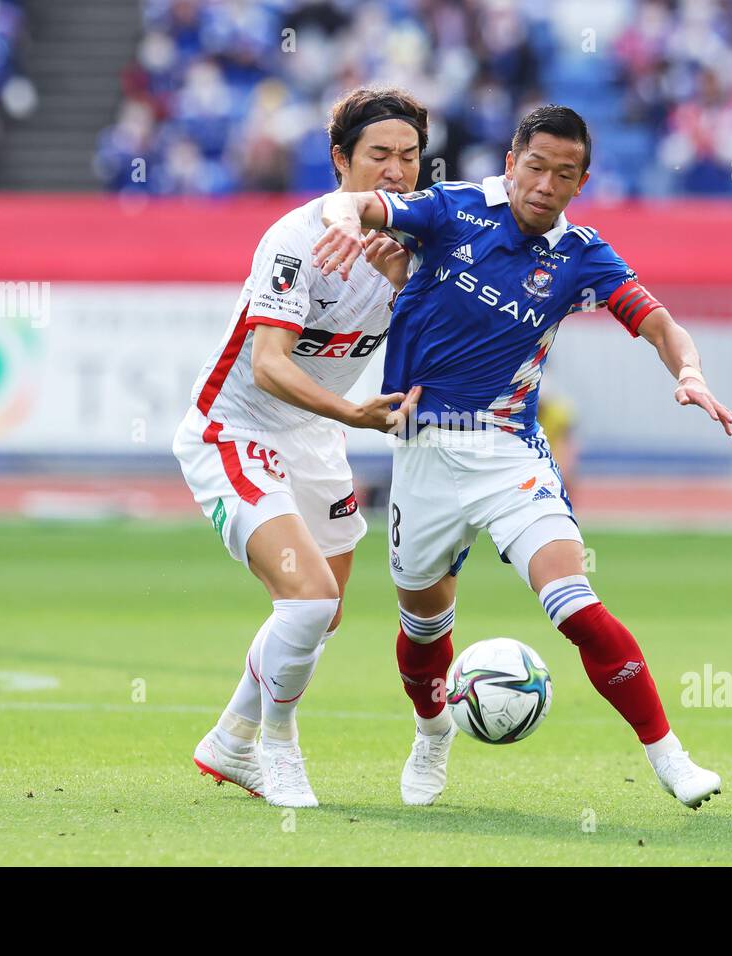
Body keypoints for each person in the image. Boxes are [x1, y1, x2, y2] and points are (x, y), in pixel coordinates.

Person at [313, 105, 732, 809]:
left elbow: (659, 323)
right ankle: (432, 735)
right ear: (512, 163)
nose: (545, 184)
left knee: (574, 603)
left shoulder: (581, 255)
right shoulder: (453, 210)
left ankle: (671, 758)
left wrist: (688, 373)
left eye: (564, 174)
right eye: (535, 166)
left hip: (508, 450)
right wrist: (346, 216)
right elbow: (369, 201)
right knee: (422, 628)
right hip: (421, 452)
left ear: (581, 182)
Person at [173, 87, 426, 808]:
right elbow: (270, 365)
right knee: (308, 600)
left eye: (408, 157)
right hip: (236, 429)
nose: (395, 171)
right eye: (378, 154)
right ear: (340, 160)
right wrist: (354, 412)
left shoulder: (420, 241)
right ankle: (275, 748)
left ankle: (229, 739)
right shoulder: (297, 239)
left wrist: (406, 281)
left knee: (325, 613)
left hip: (313, 440)